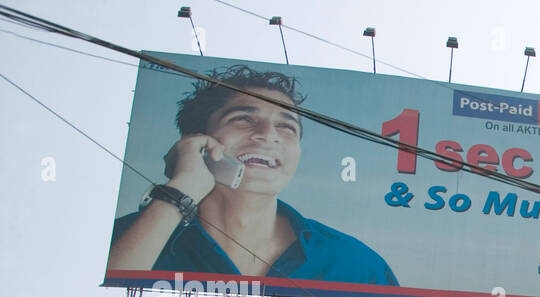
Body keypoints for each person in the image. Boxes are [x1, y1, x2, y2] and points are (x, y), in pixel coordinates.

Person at [108, 65, 397, 285]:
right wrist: (181, 187)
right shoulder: (130, 237)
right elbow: (105, 291)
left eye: (287, 127)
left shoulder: (356, 263)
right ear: (197, 140)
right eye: (243, 119)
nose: (267, 136)